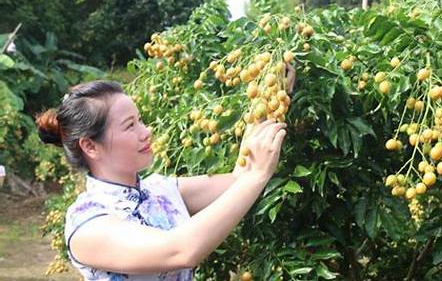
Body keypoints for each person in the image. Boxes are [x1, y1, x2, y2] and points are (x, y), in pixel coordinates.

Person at [36, 66, 295, 280]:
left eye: (140, 120)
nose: (146, 131)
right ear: (90, 146)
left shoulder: (161, 189)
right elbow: (180, 251)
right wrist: (257, 175)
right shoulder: (87, 223)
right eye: (130, 126)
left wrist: (272, 98)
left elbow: (240, 178)